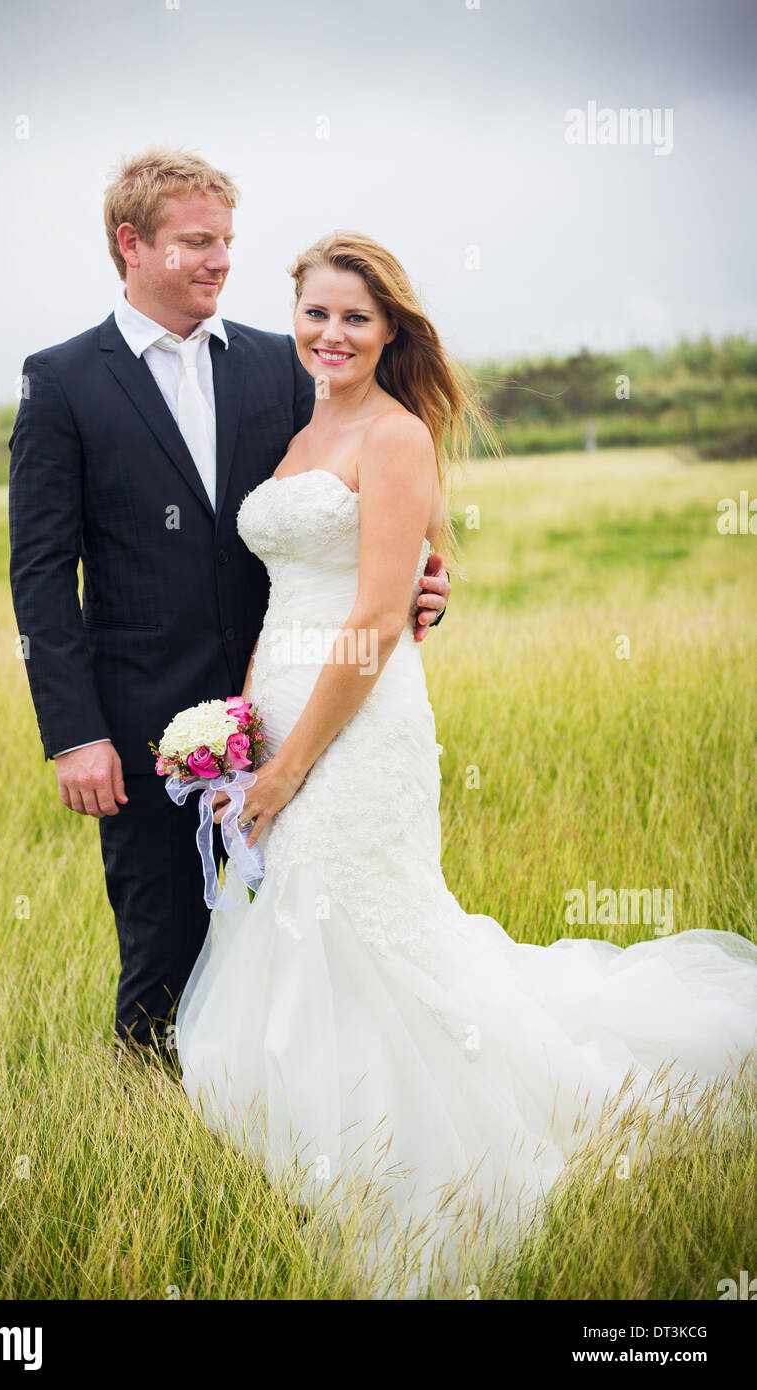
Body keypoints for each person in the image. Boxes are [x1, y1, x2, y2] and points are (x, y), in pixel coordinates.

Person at [175, 230, 757, 1294]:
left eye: (355, 315)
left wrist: (292, 763)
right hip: (278, 713)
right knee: (295, 918)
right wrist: (242, 722)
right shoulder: (300, 432)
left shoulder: (395, 437)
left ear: (390, 326)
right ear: (293, 316)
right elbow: (281, 595)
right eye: (315, 312)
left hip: (356, 724)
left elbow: (375, 617)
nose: (331, 332)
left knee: (368, 918)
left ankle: (425, 1141)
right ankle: (312, 1120)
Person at [8, 151, 452, 1057]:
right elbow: (41, 574)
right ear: (132, 245)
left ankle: (289, 1115)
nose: (219, 261)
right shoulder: (62, 382)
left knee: (296, 937)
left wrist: (421, 585)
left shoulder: (279, 363)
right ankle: (148, 1120)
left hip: (298, 706)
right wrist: (73, 732)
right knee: (160, 941)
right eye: (196, 243)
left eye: (227, 243)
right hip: (142, 722)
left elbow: (360, 507)